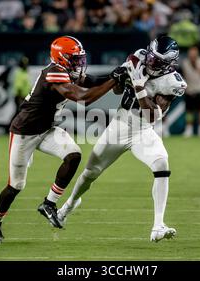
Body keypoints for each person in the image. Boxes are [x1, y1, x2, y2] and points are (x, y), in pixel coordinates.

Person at [0, 36, 124, 244]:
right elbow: (83, 97)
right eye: (75, 59)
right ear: (61, 58)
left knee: (73, 155)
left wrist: (116, 73)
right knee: (15, 186)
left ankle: (49, 203)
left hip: (47, 129)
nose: (79, 64)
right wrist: (114, 80)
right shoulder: (54, 72)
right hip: (24, 132)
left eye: (80, 59)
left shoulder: (66, 70)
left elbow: (92, 80)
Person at [57, 35, 187, 242]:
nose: (151, 63)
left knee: (162, 163)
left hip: (143, 130)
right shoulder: (138, 58)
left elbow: (152, 115)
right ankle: (68, 206)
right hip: (119, 126)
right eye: (152, 57)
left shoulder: (173, 82)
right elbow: (117, 89)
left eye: (158, 61)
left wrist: (139, 87)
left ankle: (158, 225)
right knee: (91, 173)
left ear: (169, 63)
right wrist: (123, 76)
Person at [181, 46, 200, 137]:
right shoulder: (185, 63)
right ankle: (188, 130)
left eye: (194, 54)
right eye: (191, 54)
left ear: (197, 54)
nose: (193, 56)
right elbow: (182, 77)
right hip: (189, 90)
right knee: (189, 111)